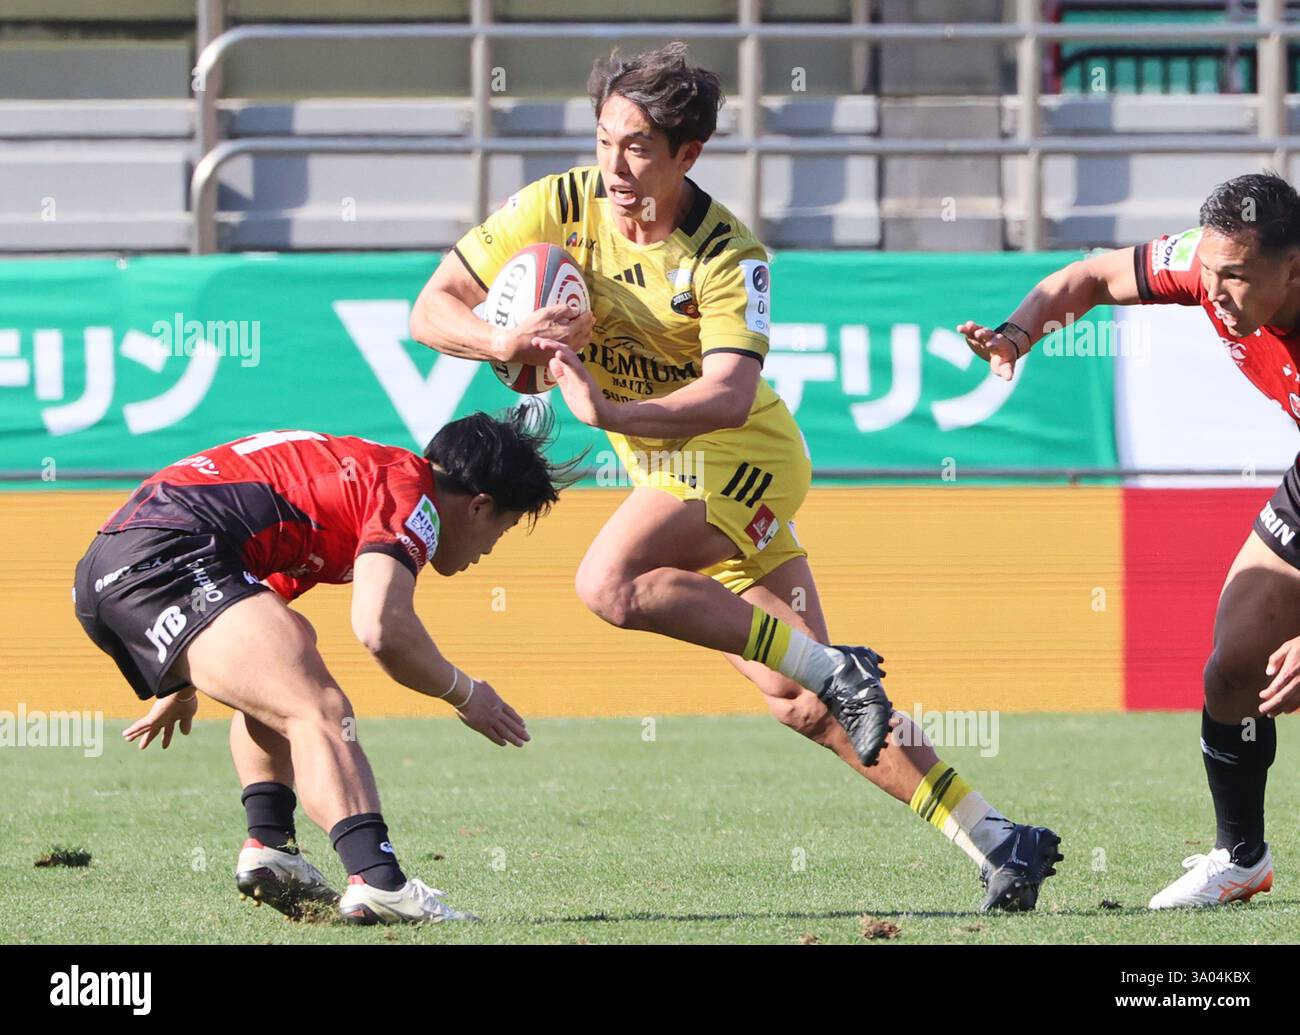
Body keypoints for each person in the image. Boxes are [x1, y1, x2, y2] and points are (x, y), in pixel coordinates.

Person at [411, 42, 1062, 912]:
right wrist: (499, 341)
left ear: (689, 154)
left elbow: (728, 393)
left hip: (741, 455)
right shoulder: (558, 206)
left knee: (608, 582)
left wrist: (612, 414)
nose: (614, 166)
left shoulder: (728, 253)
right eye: (605, 139)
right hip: (674, 480)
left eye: (638, 147)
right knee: (802, 701)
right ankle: (995, 837)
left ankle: (836, 666)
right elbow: (431, 306)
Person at [73, 411, 572, 923]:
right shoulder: (409, 493)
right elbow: (383, 630)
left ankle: (272, 848)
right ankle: (380, 882)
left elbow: (258, 620)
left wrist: (180, 685)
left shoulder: (361, 479)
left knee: (292, 657)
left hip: (112, 566)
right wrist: (466, 694)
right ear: (479, 505)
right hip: (168, 553)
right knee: (320, 708)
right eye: (503, 529)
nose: (490, 549)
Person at [959, 171, 1300, 909]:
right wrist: (1018, 335)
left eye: (1237, 277)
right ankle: (1241, 856)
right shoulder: (1208, 265)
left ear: (1292, 268)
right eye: (1210, 273)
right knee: (1234, 667)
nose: (1217, 291)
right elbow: (1088, 278)